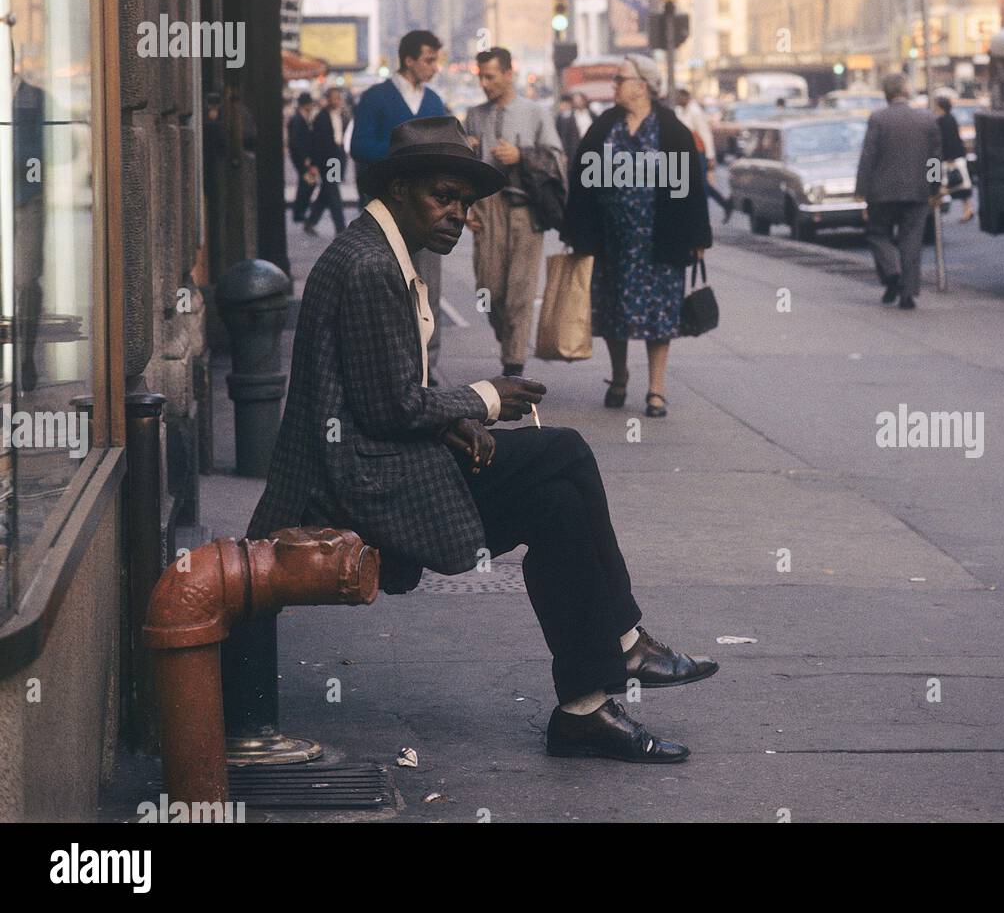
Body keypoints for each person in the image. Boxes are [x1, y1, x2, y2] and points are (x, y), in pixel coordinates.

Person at [246, 115, 718, 763]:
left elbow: (387, 384)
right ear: (402, 188)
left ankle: (584, 708)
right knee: (565, 451)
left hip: (375, 462)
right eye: (445, 196)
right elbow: (388, 407)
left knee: (557, 506)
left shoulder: (380, 252)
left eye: (466, 203)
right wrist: (485, 398)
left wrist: (455, 419)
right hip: (353, 482)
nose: (459, 215)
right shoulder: (367, 266)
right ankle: (626, 641)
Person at [563, 55, 711, 419]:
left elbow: (691, 187)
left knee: (659, 316)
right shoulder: (605, 126)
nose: (614, 85)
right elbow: (582, 180)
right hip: (613, 243)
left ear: (642, 86)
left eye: (620, 79)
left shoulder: (671, 129)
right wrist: (577, 232)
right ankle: (619, 377)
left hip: (659, 241)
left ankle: (656, 390)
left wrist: (698, 237)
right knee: (614, 313)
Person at [351, 30, 448, 381]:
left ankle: (427, 365)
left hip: (430, 211)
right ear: (408, 60)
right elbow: (359, 147)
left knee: (429, 287)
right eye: (428, 60)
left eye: (436, 60)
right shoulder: (376, 98)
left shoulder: (435, 101)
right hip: (387, 210)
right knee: (388, 285)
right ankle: (392, 364)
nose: (434, 67)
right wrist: (404, 152)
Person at [463, 48, 564, 377]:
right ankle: (510, 342)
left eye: (490, 76)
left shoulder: (535, 112)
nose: (485, 83)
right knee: (490, 290)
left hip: (523, 209)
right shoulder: (475, 115)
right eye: (481, 76)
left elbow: (557, 161)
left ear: (509, 74)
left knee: (520, 292)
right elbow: (463, 167)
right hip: (487, 208)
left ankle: (514, 364)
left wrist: (520, 154)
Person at [855, 72, 942, 311]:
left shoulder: (878, 119)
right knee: (911, 241)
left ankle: (892, 274)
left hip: (881, 193)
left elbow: (868, 156)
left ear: (886, 94)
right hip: (917, 192)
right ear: (907, 92)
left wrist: (861, 190)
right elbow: (934, 159)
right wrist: (934, 188)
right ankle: (908, 294)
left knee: (877, 234)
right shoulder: (927, 120)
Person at [674, 86, 732, 223]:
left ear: (685, 97)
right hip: (688, 152)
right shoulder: (683, 111)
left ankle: (703, 214)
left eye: (679, 97)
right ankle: (725, 204)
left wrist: (710, 156)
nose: (677, 99)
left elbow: (705, 134)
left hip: (698, 152)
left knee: (700, 184)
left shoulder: (695, 112)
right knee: (699, 184)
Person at [305, 86, 349, 235]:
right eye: (333, 98)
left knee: (326, 192)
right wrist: (314, 164)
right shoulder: (321, 117)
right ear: (328, 99)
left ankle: (310, 222)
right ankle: (341, 227)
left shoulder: (343, 115)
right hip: (328, 159)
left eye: (338, 97)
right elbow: (316, 142)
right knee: (333, 192)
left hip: (338, 156)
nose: (337, 101)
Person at [933, 91, 974, 222]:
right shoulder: (951, 118)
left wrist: (949, 158)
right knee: (961, 185)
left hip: (949, 158)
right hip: (956, 156)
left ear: (940, 107)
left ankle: (937, 215)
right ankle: (968, 209)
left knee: (942, 186)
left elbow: (947, 140)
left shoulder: (942, 121)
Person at [287, 92, 319, 225]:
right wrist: (305, 157)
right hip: (301, 159)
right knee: (308, 183)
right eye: (310, 104)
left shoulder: (300, 117)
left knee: (306, 183)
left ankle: (299, 212)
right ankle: (298, 212)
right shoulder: (298, 119)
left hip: (302, 158)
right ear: (305, 104)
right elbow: (295, 141)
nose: (312, 106)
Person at [557, 91, 597, 165]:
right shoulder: (569, 117)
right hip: (576, 149)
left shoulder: (592, 115)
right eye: (575, 101)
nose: (577, 102)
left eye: (580, 100)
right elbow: (565, 136)